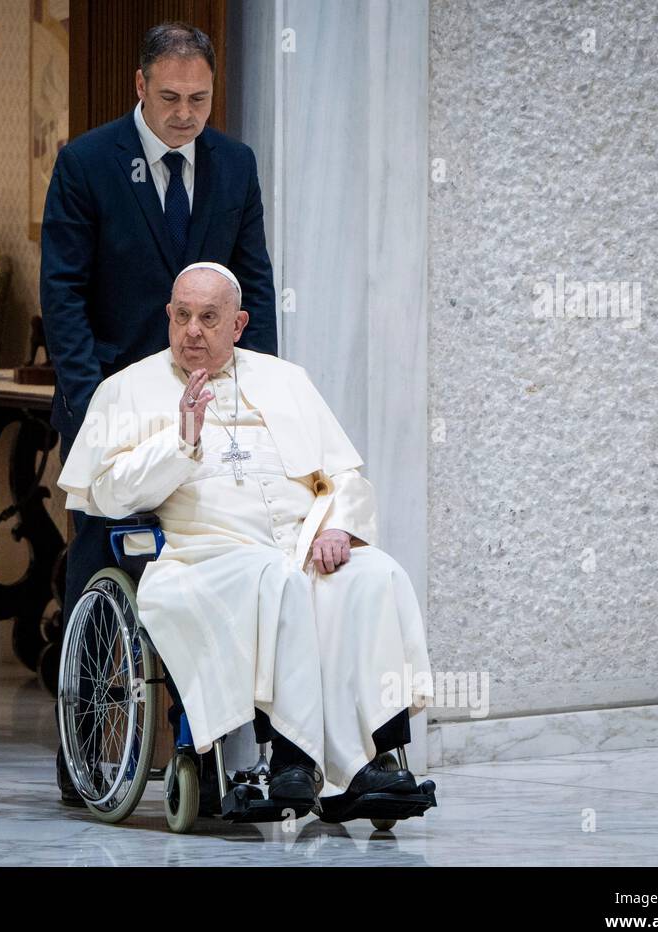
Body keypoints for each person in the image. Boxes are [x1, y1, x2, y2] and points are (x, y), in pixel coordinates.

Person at [58, 263, 434, 814]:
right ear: (167, 316)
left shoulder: (287, 380)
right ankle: (292, 762)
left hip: (300, 547)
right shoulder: (127, 390)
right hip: (202, 555)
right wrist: (180, 441)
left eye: (209, 318)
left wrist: (336, 525)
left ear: (238, 324)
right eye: (182, 315)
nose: (192, 331)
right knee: (275, 579)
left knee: (376, 575)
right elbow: (110, 494)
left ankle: (373, 762)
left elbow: (345, 475)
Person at [40, 20, 278, 801]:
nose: (185, 114)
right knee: (101, 561)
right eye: (170, 97)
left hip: (212, 403)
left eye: (200, 99)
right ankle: (88, 754)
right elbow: (65, 295)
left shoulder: (234, 165)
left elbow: (255, 286)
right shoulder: (86, 163)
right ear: (139, 87)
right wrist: (85, 409)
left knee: (215, 563)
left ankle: (220, 752)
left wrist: (262, 394)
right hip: (117, 399)